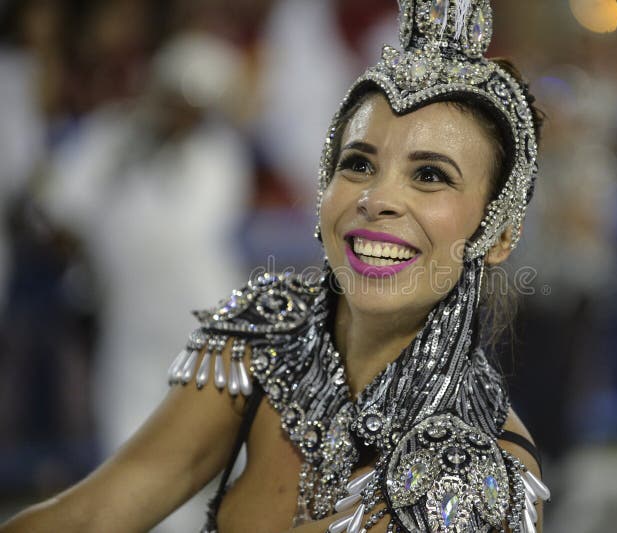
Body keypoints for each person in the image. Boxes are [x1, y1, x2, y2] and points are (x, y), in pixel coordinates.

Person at [1, 1, 550, 531]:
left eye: (430, 175)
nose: (376, 199)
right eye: (358, 164)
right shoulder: (264, 339)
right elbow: (90, 516)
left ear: (498, 233)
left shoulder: (480, 476)